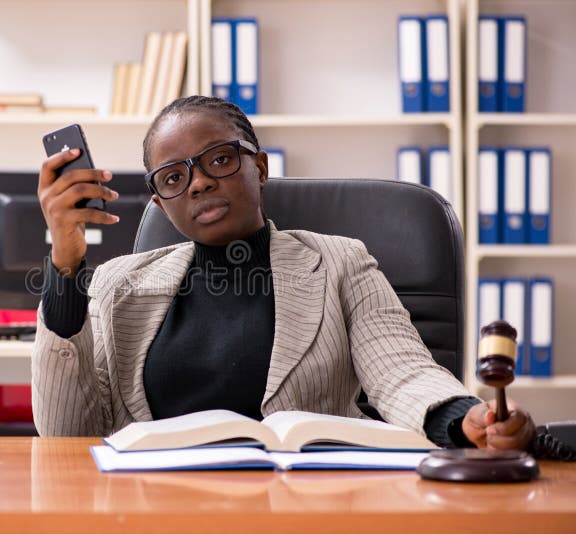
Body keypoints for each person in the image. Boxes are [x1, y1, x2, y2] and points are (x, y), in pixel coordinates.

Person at [32, 95, 535, 451]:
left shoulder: (341, 261)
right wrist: (66, 263)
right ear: (163, 205)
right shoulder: (118, 285)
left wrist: (462, 417)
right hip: (152, 509)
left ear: (261, 168)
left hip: (305, 509)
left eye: (220, 159)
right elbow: (65, 431)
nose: (201, 182)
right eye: (174, 177)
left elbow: (400, 372)